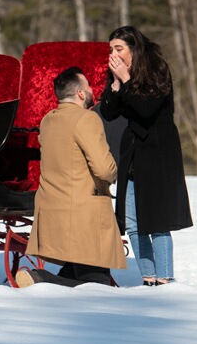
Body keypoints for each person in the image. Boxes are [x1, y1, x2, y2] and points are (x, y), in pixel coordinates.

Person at [16, 67, 127, 288]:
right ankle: (41, 279)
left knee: (81, 273)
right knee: (97, 284)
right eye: (87, 86)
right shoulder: (87, 119)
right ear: (80, 94)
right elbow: (104, 169)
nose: (91, 90)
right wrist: (116, 173)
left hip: (55, 210)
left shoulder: (48, 120)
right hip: (85, 213)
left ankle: (42, 279)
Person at [99, 26, 192, 286]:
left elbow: (147, 110)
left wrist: (127, 80)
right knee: (132, 221)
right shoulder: (119, 74)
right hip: (134, 150)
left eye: (119, 49)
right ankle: (148, 278)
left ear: (134, 48)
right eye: (111, 50)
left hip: (159, 148)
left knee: (157, 219)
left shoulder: (156, 69)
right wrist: (116, 85)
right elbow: (108, 112)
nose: (114, 55)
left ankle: (164, 278)